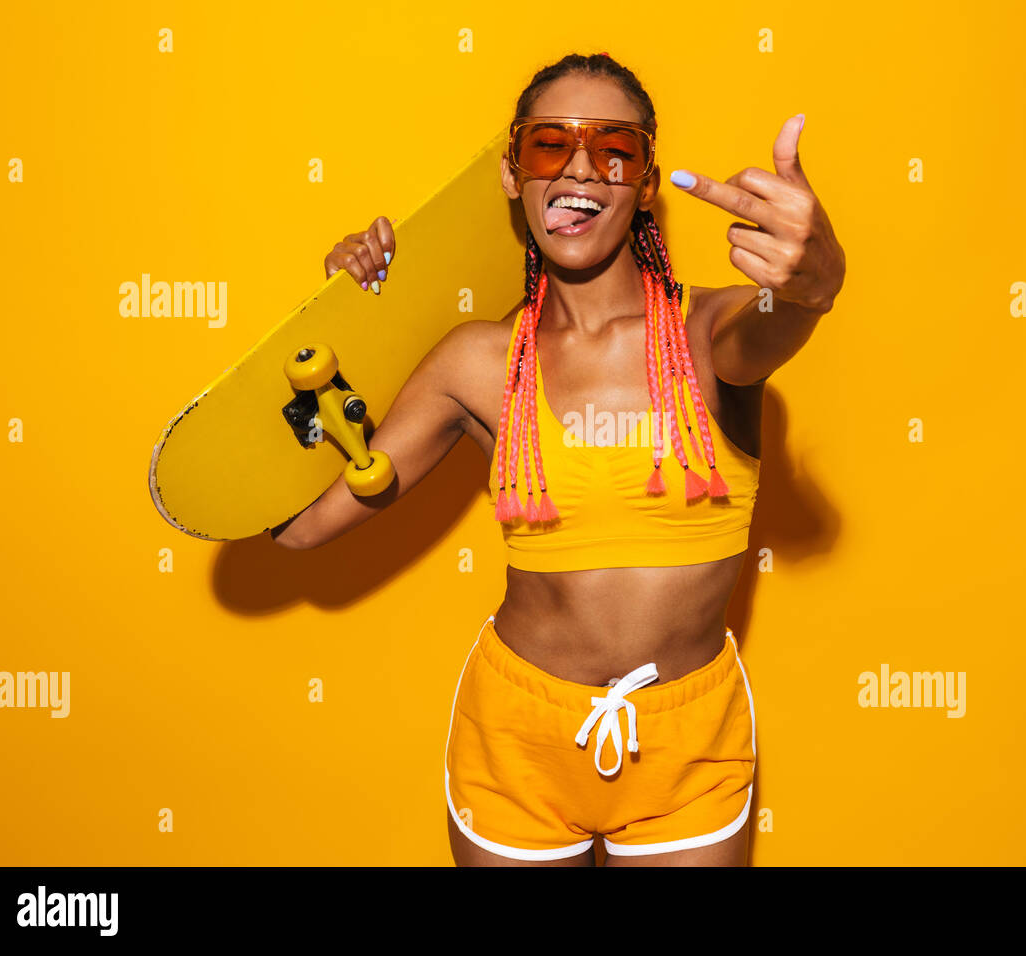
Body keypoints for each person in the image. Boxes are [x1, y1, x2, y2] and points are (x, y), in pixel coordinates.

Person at [271, 51, 845, 866]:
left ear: (645, 182)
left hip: (690, 746)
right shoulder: (475, 361)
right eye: (550, 144)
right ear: (512, 173)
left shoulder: (710, 333)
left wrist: (815, 279)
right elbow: (298, 527)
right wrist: (337, 330)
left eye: (614, 147)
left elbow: (781, 314)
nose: (581, 167)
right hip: (517, 741)